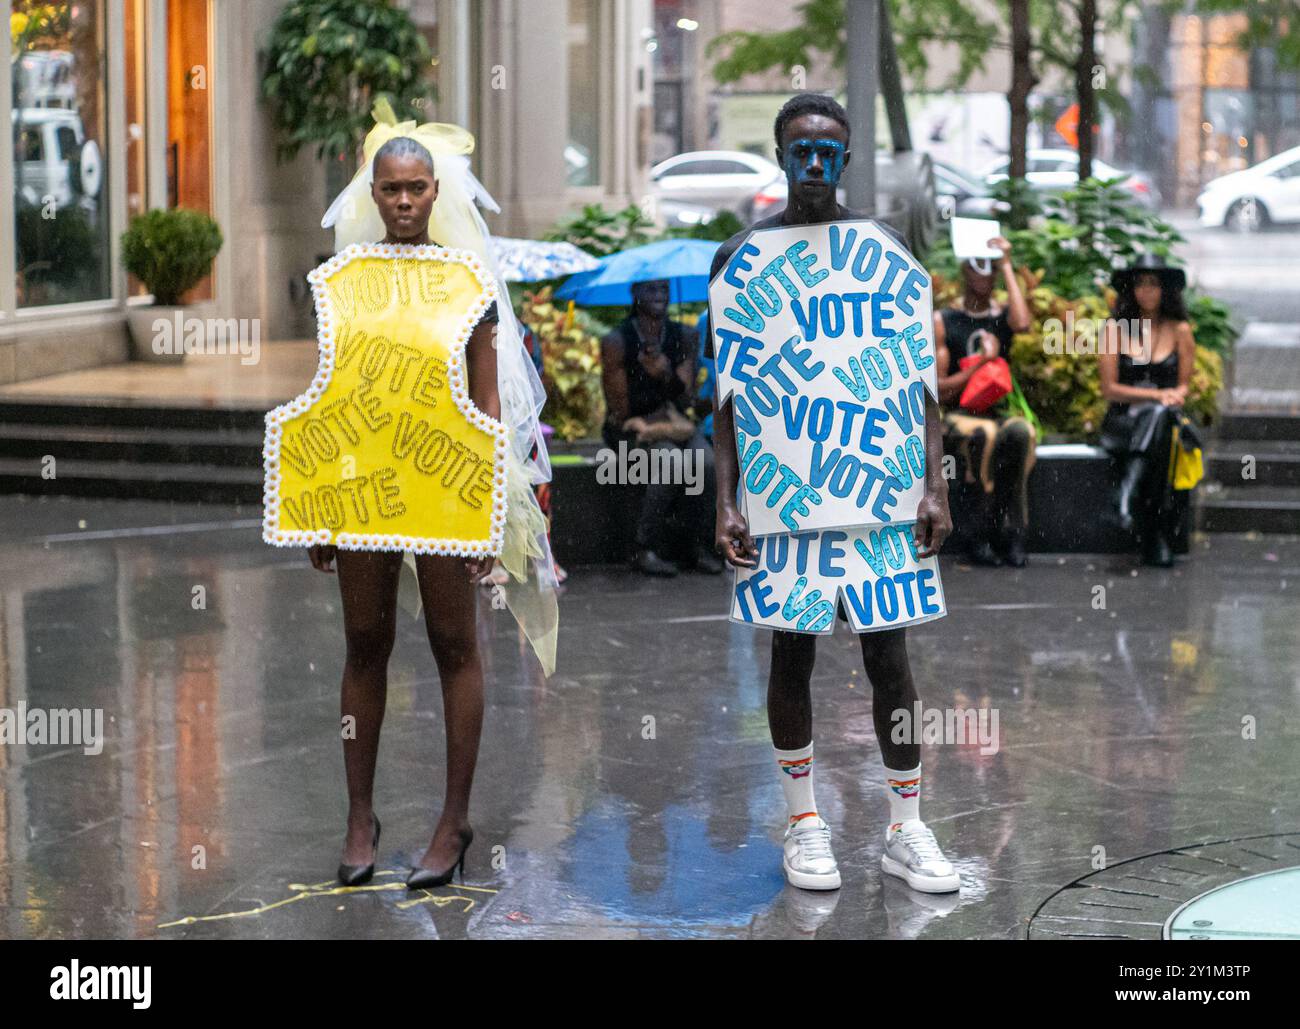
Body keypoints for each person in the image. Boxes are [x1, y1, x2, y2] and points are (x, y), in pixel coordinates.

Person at [287, 102, 559, 890]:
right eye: (391, 190)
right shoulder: (344, 283)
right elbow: (329, 395)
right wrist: (318, 502)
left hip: (445, 486)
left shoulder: (468, 282)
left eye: (416, 189)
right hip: (366, 488)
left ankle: (453, 819)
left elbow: (485, 408)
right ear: (372, 196)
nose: (404, 202)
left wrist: (485, 513)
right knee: (364, 644)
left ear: (436, 192)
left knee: (454, 645)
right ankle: (359, 815)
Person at [710, 92, 959, 894]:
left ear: (846, 159)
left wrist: (935, 484)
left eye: (828, 152)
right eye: (800, 150)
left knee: (893, 658)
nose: (814, 164)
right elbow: (727, 402)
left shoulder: (885, 251)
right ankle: (805, 822)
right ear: (781, 156)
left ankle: (907, 829)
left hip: (882, 495)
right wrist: (726, 500)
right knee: (792, 650)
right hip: (786, 497)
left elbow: (923, 386)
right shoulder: (741, 260)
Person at [601, 278, 721, 576]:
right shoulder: (618, 339)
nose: (659, 296)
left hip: (675, 423)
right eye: (651, 289)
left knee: (705, 462)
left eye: (664, 289)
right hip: (634, 427)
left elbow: (687, 397)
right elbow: (621, 410)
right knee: (669, 461)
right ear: (635, 293)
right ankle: (645, 547)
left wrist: (666, 372)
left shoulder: (685, 335)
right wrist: (644, 374)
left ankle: (698, 546)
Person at [934, 241, 1034, 567]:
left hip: (997, 411)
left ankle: (1012, 531)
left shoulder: (1001, 317)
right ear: (964, 271)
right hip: (957, 413)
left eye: (991, 269)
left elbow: (1022, 324)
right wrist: (980, 365)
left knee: (1020, 433)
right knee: (983, 436)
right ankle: (978, 532)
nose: (985, 277)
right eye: (978, 268)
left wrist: (1007, 263)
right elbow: (940, 388)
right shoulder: (945, 320)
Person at [1099, 254, 1196, 567]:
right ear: (1131, 290)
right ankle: (1156, 536)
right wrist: (1155, 397)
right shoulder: (1114, 330)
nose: (1147, 291)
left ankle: (1126, 495)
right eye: (1140, 284)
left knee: (1162, 424)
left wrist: (1173, 396)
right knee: (1159, 427)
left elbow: (1184, 386)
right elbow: (1109, 389)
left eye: (1153, 284)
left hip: (1164, 422)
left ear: (1165, 290)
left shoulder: (1181, 330)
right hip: (1122, 422)